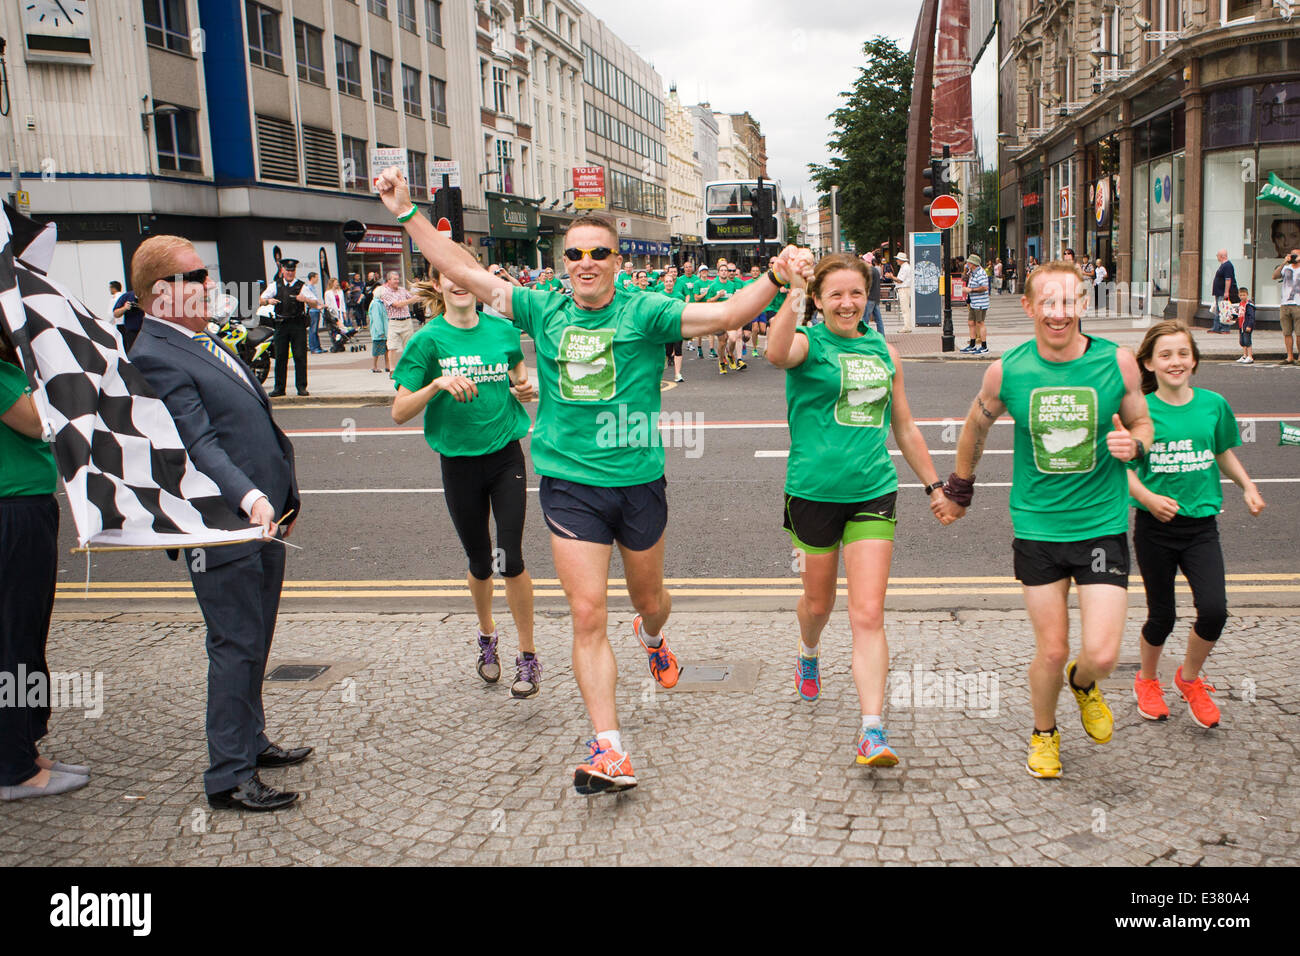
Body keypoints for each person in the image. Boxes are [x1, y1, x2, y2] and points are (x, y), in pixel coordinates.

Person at [375, 165, 795, 794]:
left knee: (649, 600)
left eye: (599, 252)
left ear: (618, 260)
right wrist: (406, 210)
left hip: (637, 480)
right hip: (570, 484)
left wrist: (773, 275)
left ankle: (652, 638)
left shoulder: (646, 310)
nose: (587, 261)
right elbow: (463, 270)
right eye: (575, 253)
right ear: (563, 262)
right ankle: (610, 749)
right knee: (586, 612)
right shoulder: (540, 307)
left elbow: (728, 313)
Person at [936, 260, 1153, 779]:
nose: (1059, 313)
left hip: (1100, 525)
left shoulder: (1117, 362)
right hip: (1036, 526)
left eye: (1069, 301)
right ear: (1030, 307)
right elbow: (974, 428)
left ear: (1083, 303)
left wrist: (1137, 444)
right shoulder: (1007, 371)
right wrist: (959, 490)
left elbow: (1143, 419)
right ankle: (1044, 732)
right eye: (1048, 303)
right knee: (1052, 649)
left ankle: (1085, 685)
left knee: (1100, 653)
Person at [129, 235, 309, 811]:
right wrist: (252, 495)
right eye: (196, 276)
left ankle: (251, 741)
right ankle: (229, 776)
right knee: (234, 643)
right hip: (222, 524)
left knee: (255, 639)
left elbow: (256, 422)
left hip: (263, 518)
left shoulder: (198, 339)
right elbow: (198, 445)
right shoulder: (154, 352)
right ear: (160, 294)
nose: (211, 285)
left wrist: (284, 494)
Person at [765, 252, 947, 766]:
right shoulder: (809, 343)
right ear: (820, 301)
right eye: (836, 294)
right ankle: (808, 652)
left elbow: (904, 426)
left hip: (873, 490)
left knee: (867, 613)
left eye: (857, 293)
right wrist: (793, 291)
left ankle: (872, 730)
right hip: (813, 494)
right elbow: (776, 352)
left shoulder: (885, 352)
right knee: (818, 607)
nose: (848, 303)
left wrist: (934, 484)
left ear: (868, 296)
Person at [392, 268, 543, 697]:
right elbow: (399, 411)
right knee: (481, 563)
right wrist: (437, 384)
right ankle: (487, 636)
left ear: (477, 285)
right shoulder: (427, 341)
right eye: (448, 277)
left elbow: (519, 379)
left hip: (505, 456)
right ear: (438, 285)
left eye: (465, 276)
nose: (458, 283)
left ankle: (528, 658)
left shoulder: (503, 332)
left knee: (509, 557)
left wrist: (524, 390)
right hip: (458, 463)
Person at [1127, 321, 1265, 729]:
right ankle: (1147, 680)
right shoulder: (1140, 412)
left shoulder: (1213, 404)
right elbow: (1125, 472)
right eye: (1165, 355)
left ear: (1194, 361)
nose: (1175, 362)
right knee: (1162, 616)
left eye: (1183, 354)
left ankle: (1188, 679)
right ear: (1149, 363)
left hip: (1202, 526)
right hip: (1155, 528)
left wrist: (1248, 486)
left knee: (1214, 611)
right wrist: (1150, 499)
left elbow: (1220, 451)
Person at [0, 325, 91, 802]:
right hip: (11, 513)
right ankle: (12, 767)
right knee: (13, 638)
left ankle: (26, 745)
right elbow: (39, 421)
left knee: (29, 637)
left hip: (27, 509)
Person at [260, 258, 315, 397]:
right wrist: (268, 301)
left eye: (292, 270)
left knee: (300, 356)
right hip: (281, 324)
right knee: (280, 357)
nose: (290, 273)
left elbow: (316, 303)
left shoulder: (302, 286)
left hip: (297, 324)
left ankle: (301, 387)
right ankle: (279, 388)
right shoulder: (275, 285)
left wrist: (306, 300)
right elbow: (260, 300)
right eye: (288, 270)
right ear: (282, 270)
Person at [375, 270, 421, 369]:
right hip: (394, 322)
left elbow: (414, 298)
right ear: (389, 280)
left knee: (408, 346)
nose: (397, 281)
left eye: (398, 279)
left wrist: (421, 295)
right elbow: (397, 304)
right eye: (394, 279)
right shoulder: (385, 292)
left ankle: (409, 367)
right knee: (392, 347)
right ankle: (392, 369)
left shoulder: (402, 290)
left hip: (406, 321)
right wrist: (412, 300)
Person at [1272, 246, 1300, 364]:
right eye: (1292, 255)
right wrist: (1284, 262)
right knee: (1287, 332)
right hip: (1285, 304)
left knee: (1299, 333)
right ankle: (1289, 357)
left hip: (1298, 304)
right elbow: (1274, 276)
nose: (1294, 257)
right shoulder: (1286, 268)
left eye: (1296, 255)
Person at [961, 254, 990, 354]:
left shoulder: (981, 273)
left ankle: (984, 346)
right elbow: (963, 278)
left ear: (973, 263)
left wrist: (971, 290)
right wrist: (965, 270)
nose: (967, 264)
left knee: (980, 323)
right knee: (971, 323)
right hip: (973, 302)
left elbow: (985, 287)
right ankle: (972, 345)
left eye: (968, 262)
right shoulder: (971, 272)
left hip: (980, 302)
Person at [112, 281, 146, 354]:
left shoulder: (148, 296)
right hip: (132, 332)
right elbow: (115, 313)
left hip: (146, 331)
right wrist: (125, 308)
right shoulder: (126, 296)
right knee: (132, 353)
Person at [1209, 250, 1236, 334]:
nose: (1217, 257)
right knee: (1218, 309)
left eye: (1217, 255)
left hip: (1222, 291)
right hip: (1219, 291)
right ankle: (1216, 327)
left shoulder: (1227, 265)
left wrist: (1226, 292)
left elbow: (1228, 279)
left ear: (1222, 256)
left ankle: (1225, 328)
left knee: (1224, 309)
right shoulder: (1223, 265)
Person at [367, 287, 389, 373]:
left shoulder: (381, 303)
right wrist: (380, 331)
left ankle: (387, 365)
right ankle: (374, 366)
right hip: (379, 332)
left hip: (385, 330)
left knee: (387, 349)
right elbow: (377, 319)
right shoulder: (376, 304)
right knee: (377, 349)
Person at [864, 255, 885, 335]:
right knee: (878, 319)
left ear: (867, 261)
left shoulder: (869, 271)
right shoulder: (875, 270)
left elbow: (867, 285)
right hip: (875, 298)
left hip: (869, 298)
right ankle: (881, 335)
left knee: (865, 319)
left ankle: (864, 337)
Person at [1234, 288, 1256, 364]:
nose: (1242, 296)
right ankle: (1244, 355)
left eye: (1244, 295)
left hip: (1247, 325)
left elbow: (1251, 316)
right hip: (1241, 326)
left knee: (1247, 341)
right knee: (1242, 341)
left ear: (1247, 295)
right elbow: (1239, 313)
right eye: (1240, 295)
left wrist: (1249, 325)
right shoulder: (1240, 304)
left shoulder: (1249, 304)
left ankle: (1250, 356)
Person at [305, 271, 324, 354]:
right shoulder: (308, 287)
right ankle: (313, 347)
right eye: (316, 278)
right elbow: (310, 300)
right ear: (312, 278)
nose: (317, 279)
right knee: (313, 329)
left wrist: (321, 304)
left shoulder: (312, 287)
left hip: (316, 310)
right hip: (313, 310)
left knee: (315, 329)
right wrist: (318, 305)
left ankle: (317, 346)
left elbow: (315, 298)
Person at [895, 253, 914, 332]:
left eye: (897, 259)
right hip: (904, 288)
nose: (896, 261)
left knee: (905, 309)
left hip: (903, 289)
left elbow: (900, 280)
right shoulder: (905, 267)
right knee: (905, 309)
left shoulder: (905, 268)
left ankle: (907, 327)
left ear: (901, 260)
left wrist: (891, 277)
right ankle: (907, 326)